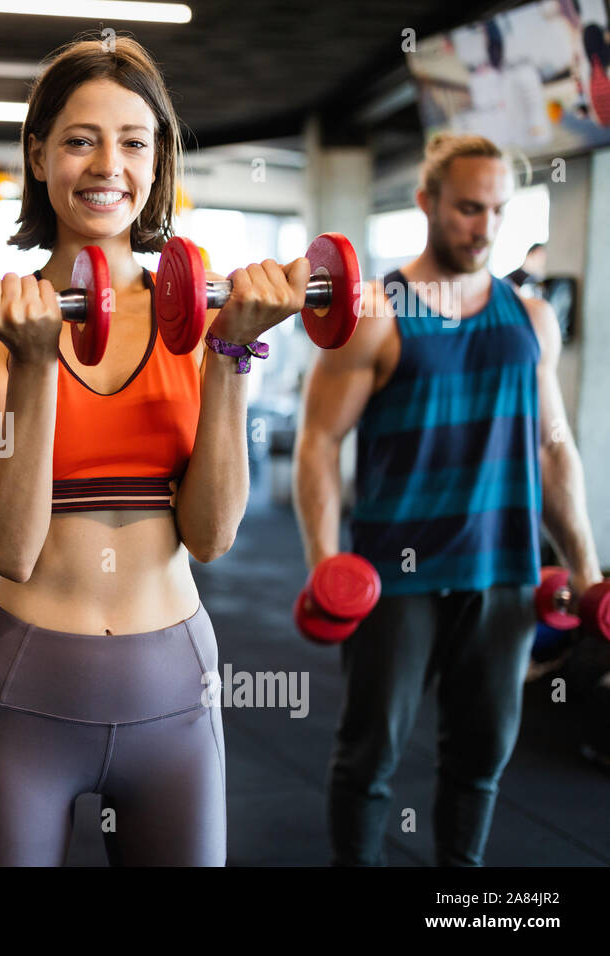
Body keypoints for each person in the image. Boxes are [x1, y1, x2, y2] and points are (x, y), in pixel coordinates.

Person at [0, 35, 310, 866]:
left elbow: (212, 538)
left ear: (158, 160)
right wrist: (36, 362)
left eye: (134, 142)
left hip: (174, 686)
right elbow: (9, 547)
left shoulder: (200, 317)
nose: (109, 165)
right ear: (38, 154)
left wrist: (233, 355)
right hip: (26, 687)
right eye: (80, 139)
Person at [294, 132, 603, 866]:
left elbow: (554, 448)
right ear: (427, 201)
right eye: (468, 208)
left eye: (498, 210)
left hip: (504, 577)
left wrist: (588, 571)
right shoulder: (376, 313)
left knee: (481, 760)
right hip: (396, 579)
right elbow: (317, 441)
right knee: (369, 758)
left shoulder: (531, 321)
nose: (486, 226)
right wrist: (325, 565)